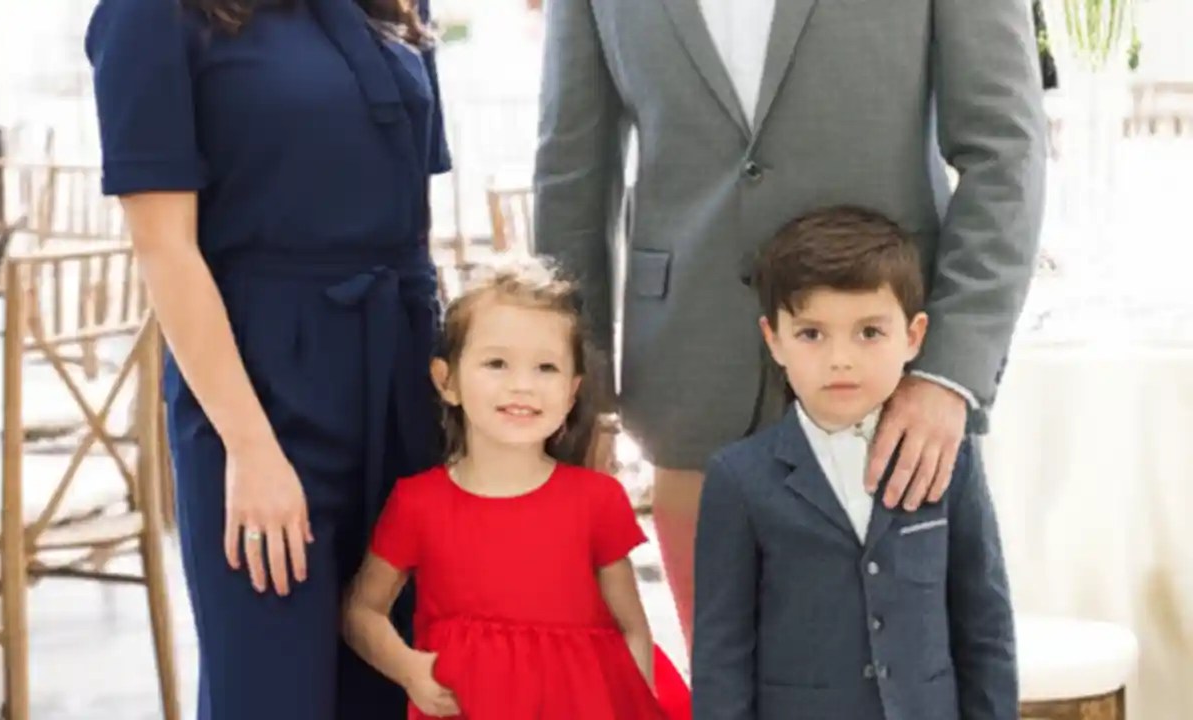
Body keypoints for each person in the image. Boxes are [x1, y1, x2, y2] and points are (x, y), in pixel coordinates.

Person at [533, 0, 1046, 648]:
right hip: (692, 371)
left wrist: (949, 373)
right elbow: (572, 175)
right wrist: (580, 394)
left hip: (889, 387)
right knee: (725, 682)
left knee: (902, 681)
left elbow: (1006, 152)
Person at [85, 0, 451, 716]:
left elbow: (417, 216)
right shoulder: (151, 14)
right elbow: (165, 249)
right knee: (272, 687)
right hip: (261, 381)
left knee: (408, 678)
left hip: (403, 369)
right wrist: (250, 449)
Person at [692, 206, 1016, 720]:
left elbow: (985, 624)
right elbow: (721, 654)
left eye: (869, 332)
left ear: (913, 336)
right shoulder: (738, 478)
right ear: (773, 339)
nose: (840, 359)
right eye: (811, 334)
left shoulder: (949, 455)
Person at [341, 260, 690, 719]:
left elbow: (633, 630)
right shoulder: (417, 503)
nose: (522, 385)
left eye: (546, 367)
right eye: (497, 363)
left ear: (572, 392)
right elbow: (362, 611)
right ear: (447, 381)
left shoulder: (596, 500)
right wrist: (408, 668)